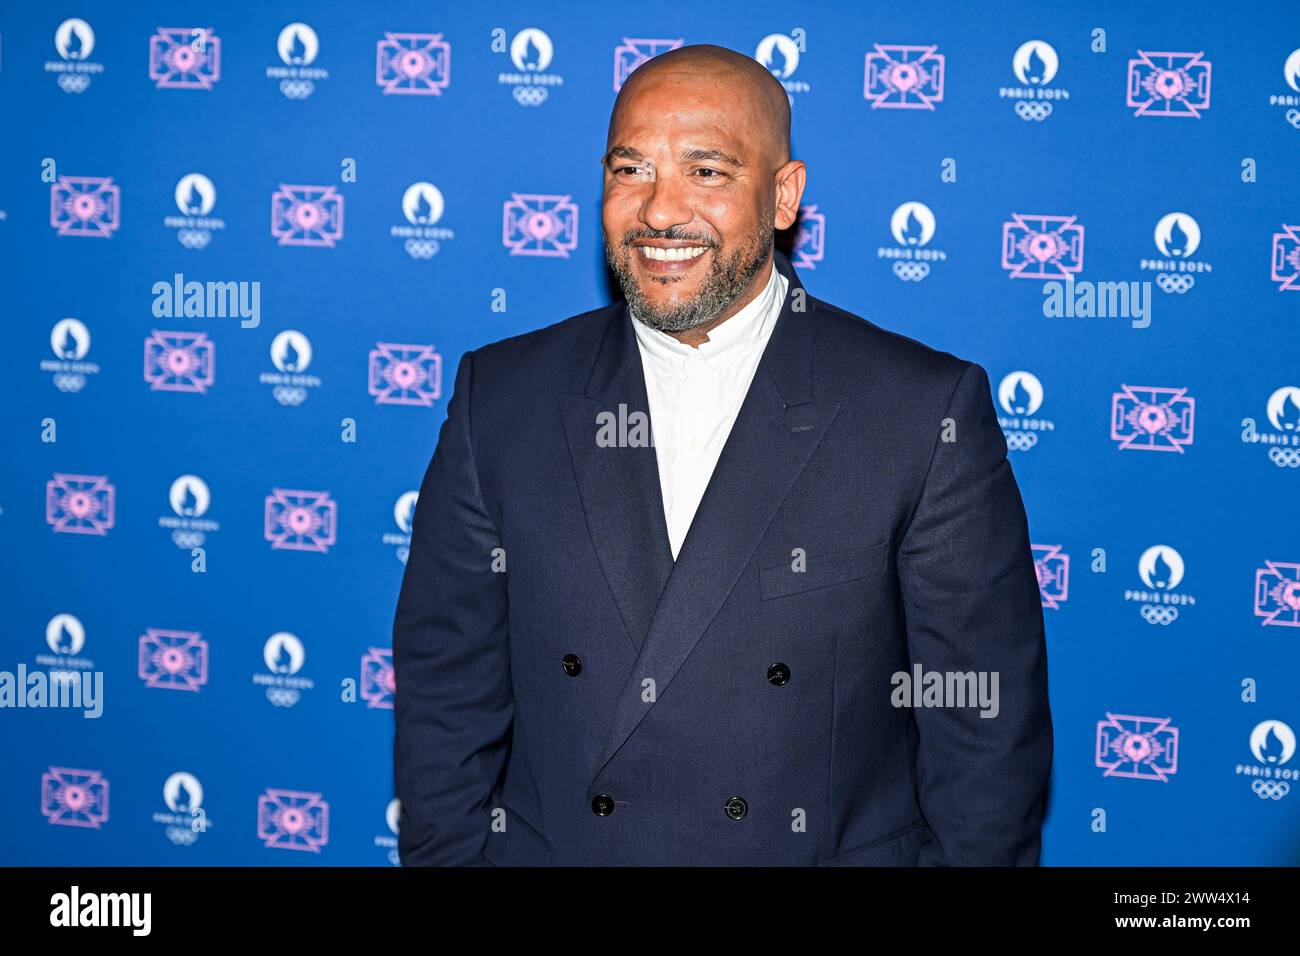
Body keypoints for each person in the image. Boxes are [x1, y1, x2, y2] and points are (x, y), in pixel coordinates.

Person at [393, 43, 1052, 866]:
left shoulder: (920, 412)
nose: (660, 212)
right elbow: (444, 694)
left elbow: (983, 736)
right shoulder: (503, 397)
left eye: (706, 172)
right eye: (630, 170)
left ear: (783, 197)